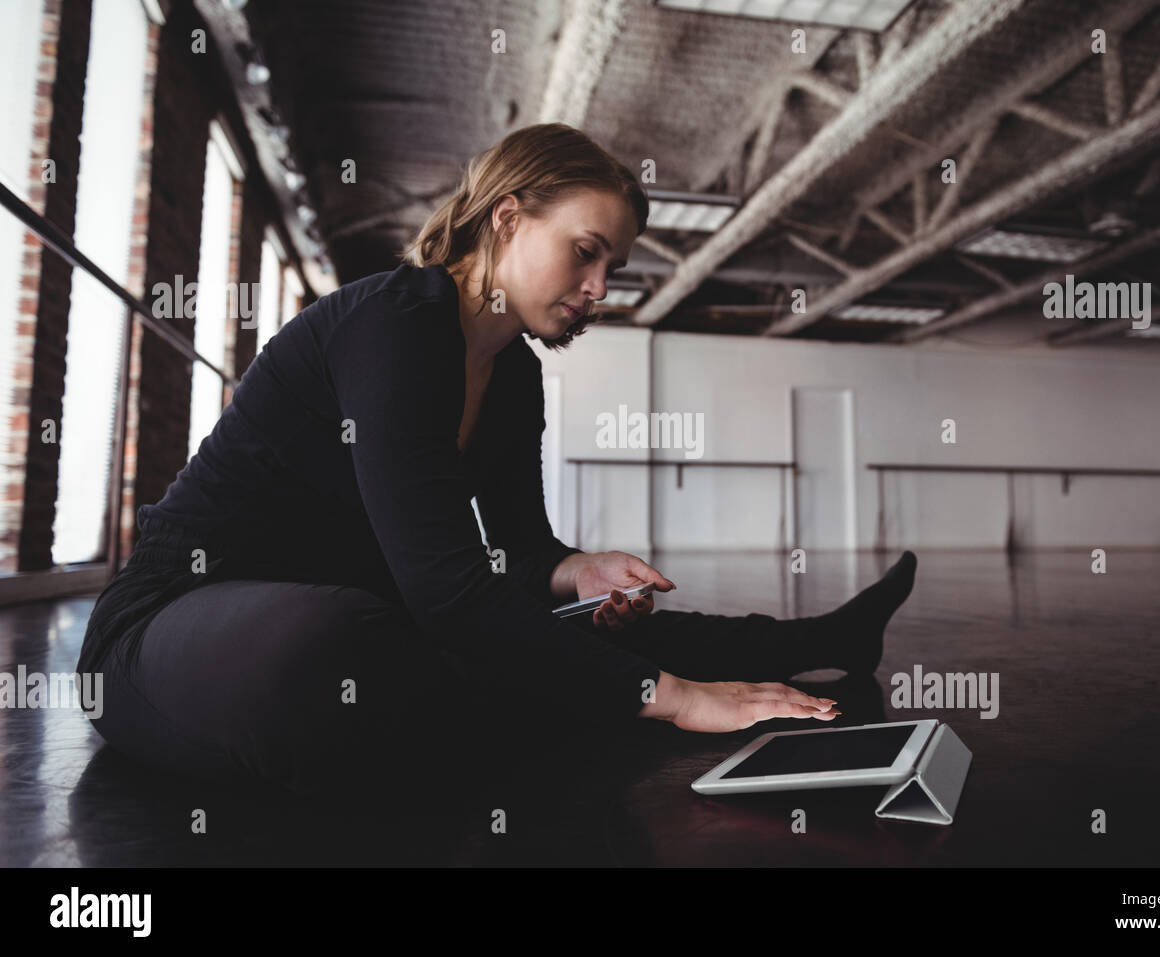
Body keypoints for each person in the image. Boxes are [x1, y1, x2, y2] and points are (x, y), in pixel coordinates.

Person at [76, 123, 918, 798]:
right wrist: (676, 696)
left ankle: (822, 637)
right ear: (507, 218)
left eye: (613, 268)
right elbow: (449, 588)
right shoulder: (395, 323)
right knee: (357, 641)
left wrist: (576, 571)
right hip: (167, 629)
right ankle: (560, 692)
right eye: (585, 251)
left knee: (514, 630)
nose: (599, 288)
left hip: (378, 617)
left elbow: (519, 555)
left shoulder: (514, 373)